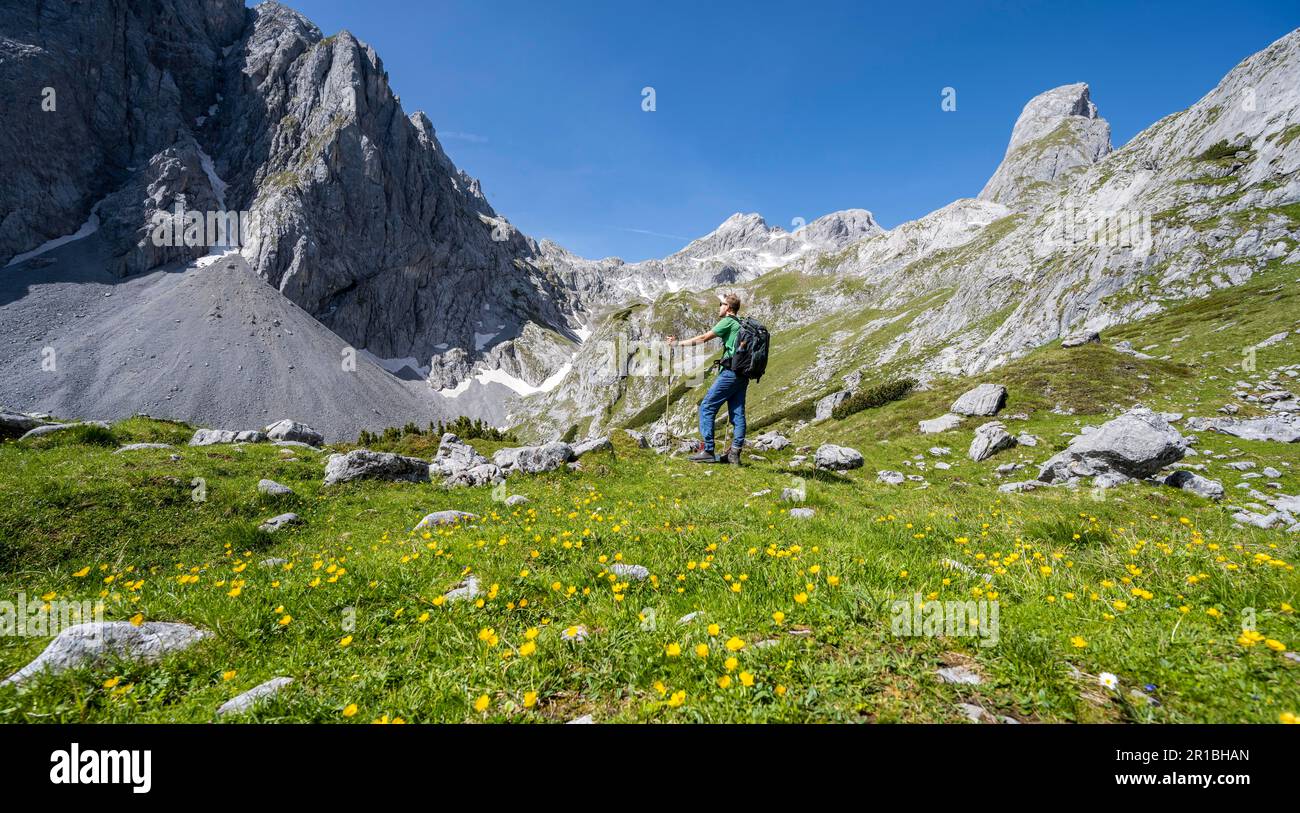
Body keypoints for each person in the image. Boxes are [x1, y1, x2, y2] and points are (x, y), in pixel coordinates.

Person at [667, 292, 747, 464]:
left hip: (730, 373)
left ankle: (708, 450)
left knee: (707, 406)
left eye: (721, 304)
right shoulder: (741, 324)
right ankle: (734, 453)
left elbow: (703, 338)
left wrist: (677, 343)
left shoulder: (728, 321)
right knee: (737, 413)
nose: (718, 307)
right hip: (742, 375)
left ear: (728, 307)